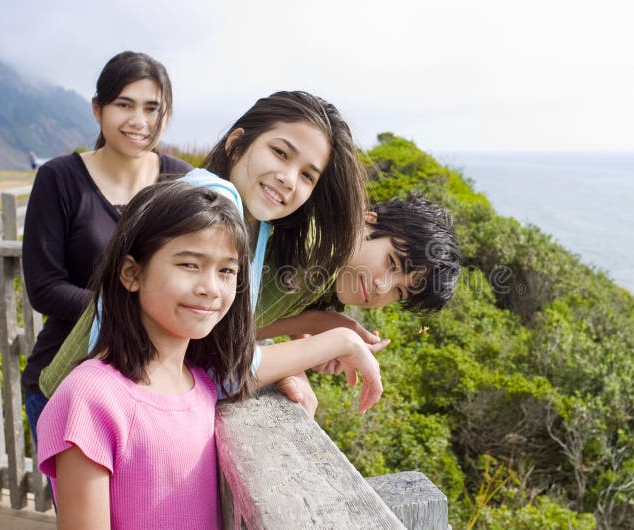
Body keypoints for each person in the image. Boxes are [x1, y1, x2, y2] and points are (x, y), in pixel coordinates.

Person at [36, 182, 383, 530]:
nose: (211, 288)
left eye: (226, 271)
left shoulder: (201, 383)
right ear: (132, 273)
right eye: (189, 264)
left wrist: (341, 338)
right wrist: (340, 339)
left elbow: (248, 367)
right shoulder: (90, 398)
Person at [38, 90, 382, 406]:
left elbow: (229, 341)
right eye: (280, 153)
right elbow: (225, 367)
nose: (288, 179)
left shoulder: (253, 225)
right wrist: (339, 342)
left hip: (107, 403)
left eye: (308, 175)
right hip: (86, 410)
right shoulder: (209, 205)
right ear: (237, 144)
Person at [22, 51, 191, 446]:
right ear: (98, 109)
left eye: (152, 108)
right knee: (84, 511)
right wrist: (136, 308)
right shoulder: (59, 178)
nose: (139, 121)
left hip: (154, 386)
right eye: (124, 105)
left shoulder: (180, 180)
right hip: (66, 378)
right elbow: (45, 288)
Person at [256, 195, 462, 415]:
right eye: (392, 263)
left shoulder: (331, 279)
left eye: (399, 291)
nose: (382, 288)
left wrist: (305, 333)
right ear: (367, 221)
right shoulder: (311, 254)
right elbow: (226, 337)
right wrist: (329, 334)